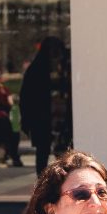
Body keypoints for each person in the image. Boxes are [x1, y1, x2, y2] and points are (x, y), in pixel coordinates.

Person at [18, 37, 71, 175]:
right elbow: (27, 97)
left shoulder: (62, 68)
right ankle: (44, 185)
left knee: (61, 154)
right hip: (43, 118)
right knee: (44, 152)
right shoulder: (38, 70)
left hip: (59, 118)